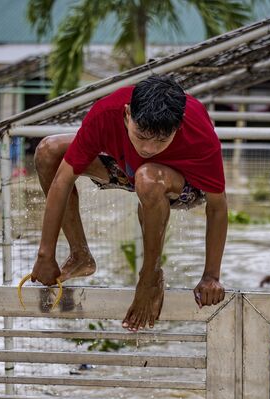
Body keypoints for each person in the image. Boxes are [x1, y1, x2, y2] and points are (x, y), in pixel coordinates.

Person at [26, 74, 228, 331]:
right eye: (141, 135)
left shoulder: (199, 134)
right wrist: (46, 254)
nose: (148, 148)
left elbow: (217, 206)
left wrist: (211, 276)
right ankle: (80, 255)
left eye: (160, 141)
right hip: (127, 169)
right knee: (48, 150)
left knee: (147, 178)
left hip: (180, 185)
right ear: (126, 115)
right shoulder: (104, 113)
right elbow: (62, 179)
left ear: (177, 128)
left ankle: (151, 276)